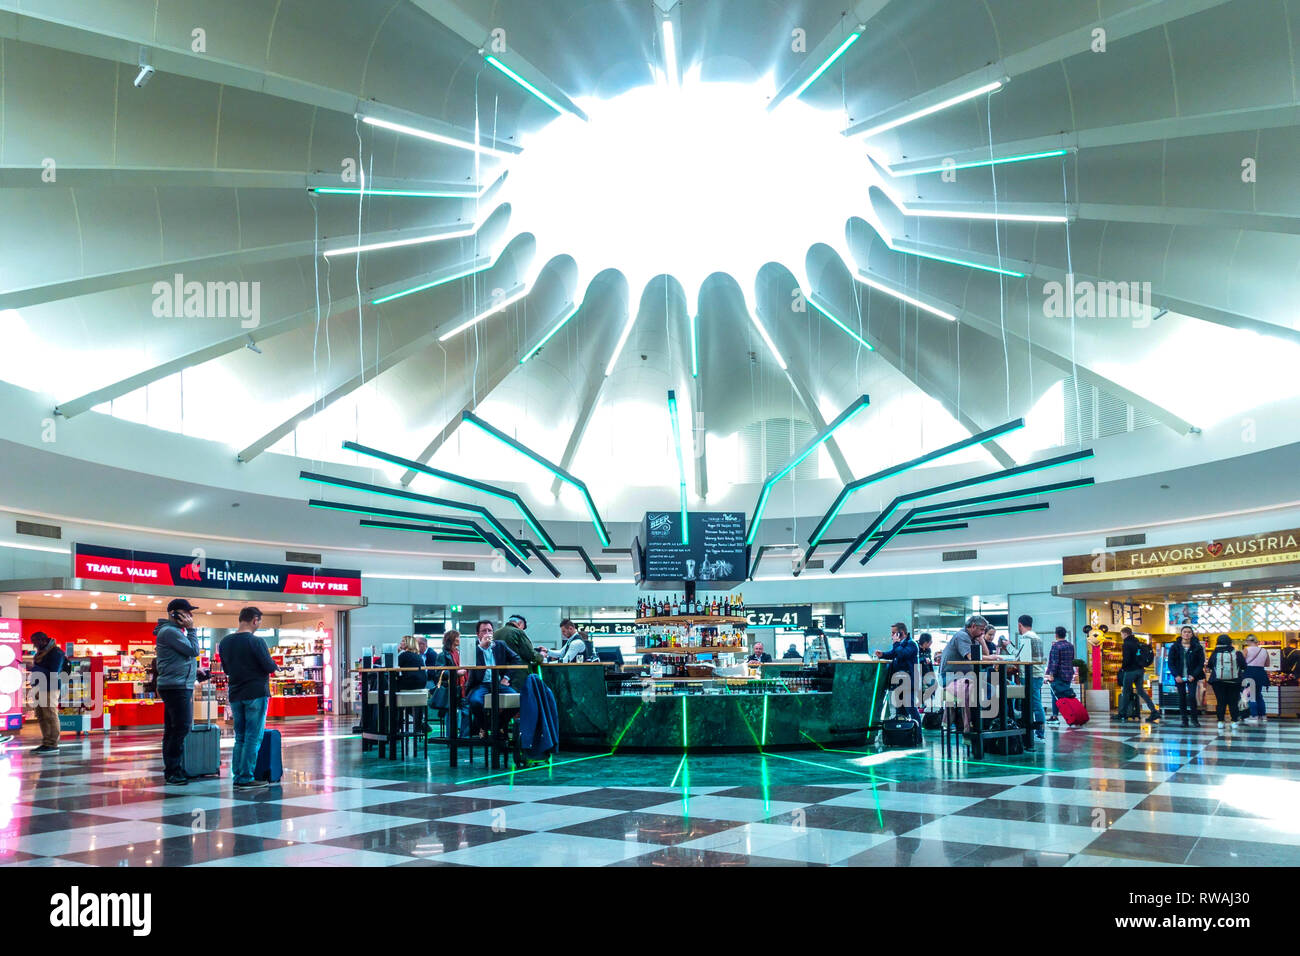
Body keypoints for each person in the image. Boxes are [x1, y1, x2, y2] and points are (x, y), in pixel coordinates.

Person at [217, 607, 279, 790]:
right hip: (256, 693)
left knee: (240, 736)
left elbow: (227, 670)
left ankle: (238, 775)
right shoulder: (256, 642)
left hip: (236, 693)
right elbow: (268, 666)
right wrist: (274, 665)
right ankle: (245, 777)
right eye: (259, 621)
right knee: (253, 736)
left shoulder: (225, 642)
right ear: (255, 620)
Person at [154, 599, 203, 785]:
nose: (190, 616)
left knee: (173, 729)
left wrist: (194, 671)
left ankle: (174, 769)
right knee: (181, 728)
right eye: (186, 612)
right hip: (176, 686)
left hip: (176, 684)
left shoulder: (173, 632)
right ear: (174, 614)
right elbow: (193, 650)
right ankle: (173, 770)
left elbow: (182, 657)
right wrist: (192, 630)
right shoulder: (170, 632)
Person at [465, 621, 522, 731]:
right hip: (480, 684)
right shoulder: (472, 647)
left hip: (499, 683)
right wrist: (481, 647)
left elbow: (517, 659)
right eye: (484, 631)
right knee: (475, 702)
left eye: (490, 630)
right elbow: (466, 662)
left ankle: (495, 725)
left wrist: (506, 678)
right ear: (478, 634)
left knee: (517, 700)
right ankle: (485, 726)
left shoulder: (500, 645)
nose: (487, 633)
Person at [940, 616, 988, 728]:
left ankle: (984, 722)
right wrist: (996, 657)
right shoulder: (962, 636)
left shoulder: (974, 638)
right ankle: (974, 724)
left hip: (966, 677)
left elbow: (985, 655)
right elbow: (972, 657)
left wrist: (982, 641)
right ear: (973, 626)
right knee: (984, 690)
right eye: (981, 629)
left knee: (995, 688)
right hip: (950, 677)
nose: (983, 632)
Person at [28, 631, 64, 756]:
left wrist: (33, 668)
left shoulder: (56, 652)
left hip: (50, 687)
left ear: (43, 640)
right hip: (39, 687)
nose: (34, 646)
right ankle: (46, 742)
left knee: (50, 714)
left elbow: (54, 672)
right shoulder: (41, 653)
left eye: (35, 642)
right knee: (42, 715)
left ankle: (53, 743)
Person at [1116, 626, 1161, 724]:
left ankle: (1122, 713)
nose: (1122, 636)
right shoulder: (1138, 642)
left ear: (1125, 634)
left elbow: (1126, 658)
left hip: (1130, 671)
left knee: (1126, 691)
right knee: (1141, 691)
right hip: (1140, 670)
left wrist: (1123, 668)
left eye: (1121, 634)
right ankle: (1154, 711)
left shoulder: (1127, 643)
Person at [1014, 615, 1047, 738]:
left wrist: (1008, 647)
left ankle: (1039, 733)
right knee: (1035, 703)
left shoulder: (1026, 637)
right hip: (1038, 674)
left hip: (1030, 675)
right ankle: (1036, 732)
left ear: (1019, 625)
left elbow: (1020, 658)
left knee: (1035, 704)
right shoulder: (1037, 637)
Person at [877, 623, 919, 719]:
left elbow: (902, 654)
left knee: (911, 708)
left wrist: (896, 643)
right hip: (899, 680)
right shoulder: (901, 644)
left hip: (908, 681)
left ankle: (917, 733)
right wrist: (883, 654)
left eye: (894, 633)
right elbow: (894, 653)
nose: (892, 635)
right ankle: (903, 732)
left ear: (902, 632)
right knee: (900, 710)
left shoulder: (911, 644)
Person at [1167, 626, 1205, 727]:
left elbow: (1201, 663)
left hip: (1192, 676)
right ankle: (1184, 720)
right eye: (1185, 632)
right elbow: (1171, 663)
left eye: (1189, 632)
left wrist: (1194, 675)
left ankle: (1194, 719)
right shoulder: (1175, 647)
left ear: (1192, 634)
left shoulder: (1197, 647)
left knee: (1192, 697)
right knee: (1182, 697)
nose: (1187, 634)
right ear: (1181, 634)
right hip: (1179, 676)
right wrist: (1176, 675)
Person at [1207, 634, 1246, 730]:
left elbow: (1210, 665)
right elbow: (1244, 666)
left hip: (1218, 682)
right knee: (1233, 701)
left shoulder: (1215, 653)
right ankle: (1234, 721)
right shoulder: (1237, 653)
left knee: (1221, 702)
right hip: (1234, 681)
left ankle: (1220, 722)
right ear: (1230, 642)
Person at [1045, 626, 1076, 723]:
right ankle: (1071, 715)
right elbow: (1071, 659)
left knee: (1055, 695)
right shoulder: (1070, 645)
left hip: (1058, 675)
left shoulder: (1056, 646)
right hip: (1068, 674)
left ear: (1056, 635)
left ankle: (1054, 716)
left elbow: (1054, 662)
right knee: (1066, 695)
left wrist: (1051, 675)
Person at [1242, 635, 1270, 724]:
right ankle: (1263, 715)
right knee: (1258, 694)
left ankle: (1254, 715)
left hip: (1249, 673)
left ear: (1248, 641)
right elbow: (1267, 664)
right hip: (1261, 673)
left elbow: (1241, 663)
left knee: (1251, 695)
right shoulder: (1264, 650)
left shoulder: (1246, 650)